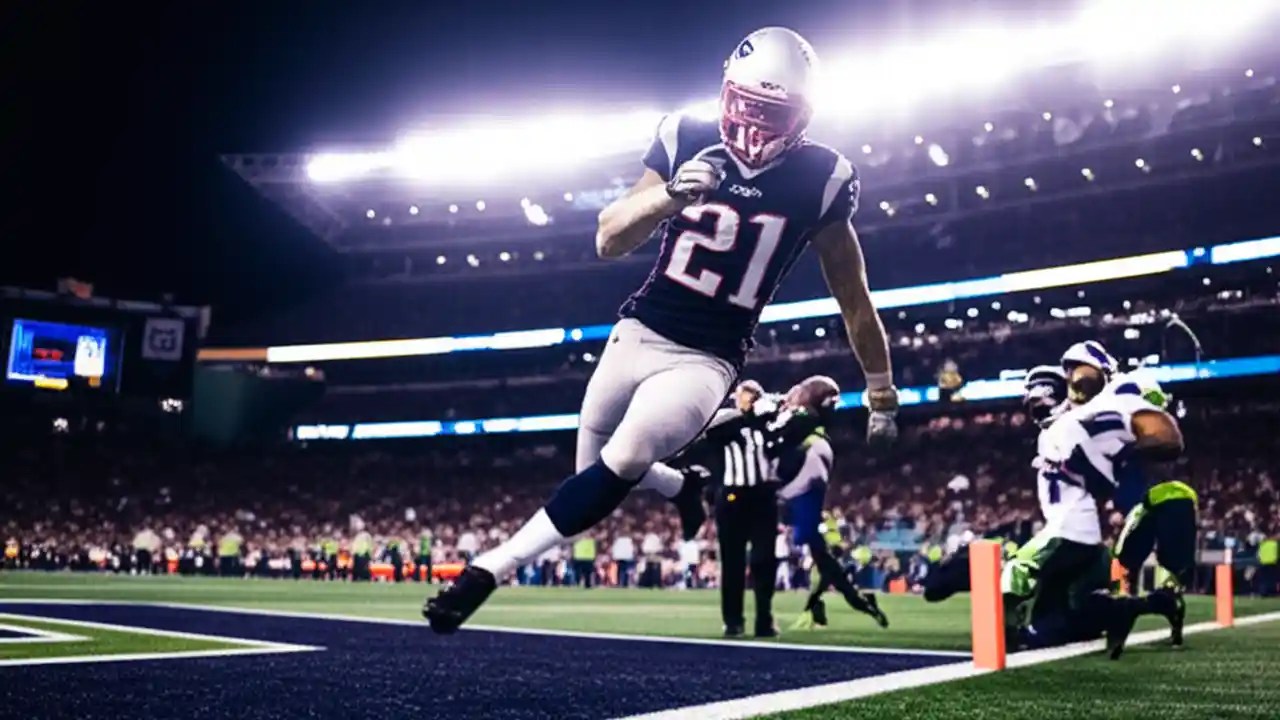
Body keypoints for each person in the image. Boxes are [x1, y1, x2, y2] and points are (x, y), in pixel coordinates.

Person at [424, 26, 898, 633]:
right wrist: (671, 197)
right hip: (641, 328)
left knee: (622, 459)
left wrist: (880, 393)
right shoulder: (687, 135)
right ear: (725, 92)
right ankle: (678, 488)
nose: (752, 124)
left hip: (707, 358)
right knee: (588, 471)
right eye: (745, 104)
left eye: (770, 112)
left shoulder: (824, 176)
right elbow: (608, 238)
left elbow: (852, 295)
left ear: (802, 116)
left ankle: (488, 570)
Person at [1010, 342, 1184, 659]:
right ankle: (1154, 603)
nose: (1040, 404)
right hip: (1089, 541)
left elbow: (1151, 422)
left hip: (1086, 535)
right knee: (1077, 617)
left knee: (1025, 579)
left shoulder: (1107, 409)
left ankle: (1021, 629)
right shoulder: (1058, 433)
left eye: (1046, 395)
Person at [776, 376, 888, 630]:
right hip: (813, 459)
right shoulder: (811, 423)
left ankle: (848, 604)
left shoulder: (804, 423)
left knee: (824, 566)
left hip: (810, 459)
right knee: (824, 567)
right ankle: (831, 609)